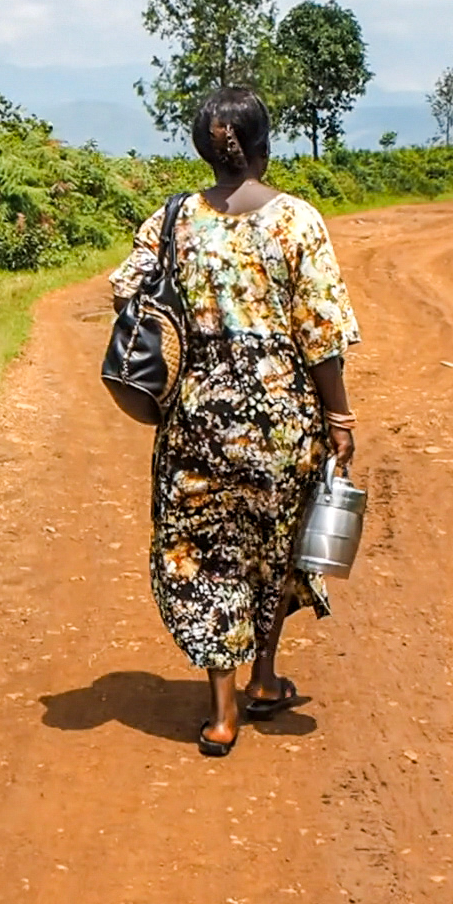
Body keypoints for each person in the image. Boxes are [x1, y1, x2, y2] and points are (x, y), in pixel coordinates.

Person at [108, 87, 360, 758]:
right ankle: (265, 677)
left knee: (206, 553)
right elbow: (321, 332)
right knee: (271, 550)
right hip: (280, 418)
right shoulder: (299, 221)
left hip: (195, 415)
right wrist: (339, 414)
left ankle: (222, 715)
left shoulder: (174, 219)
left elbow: (125, 286)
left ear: (204, 151)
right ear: (264, 146)